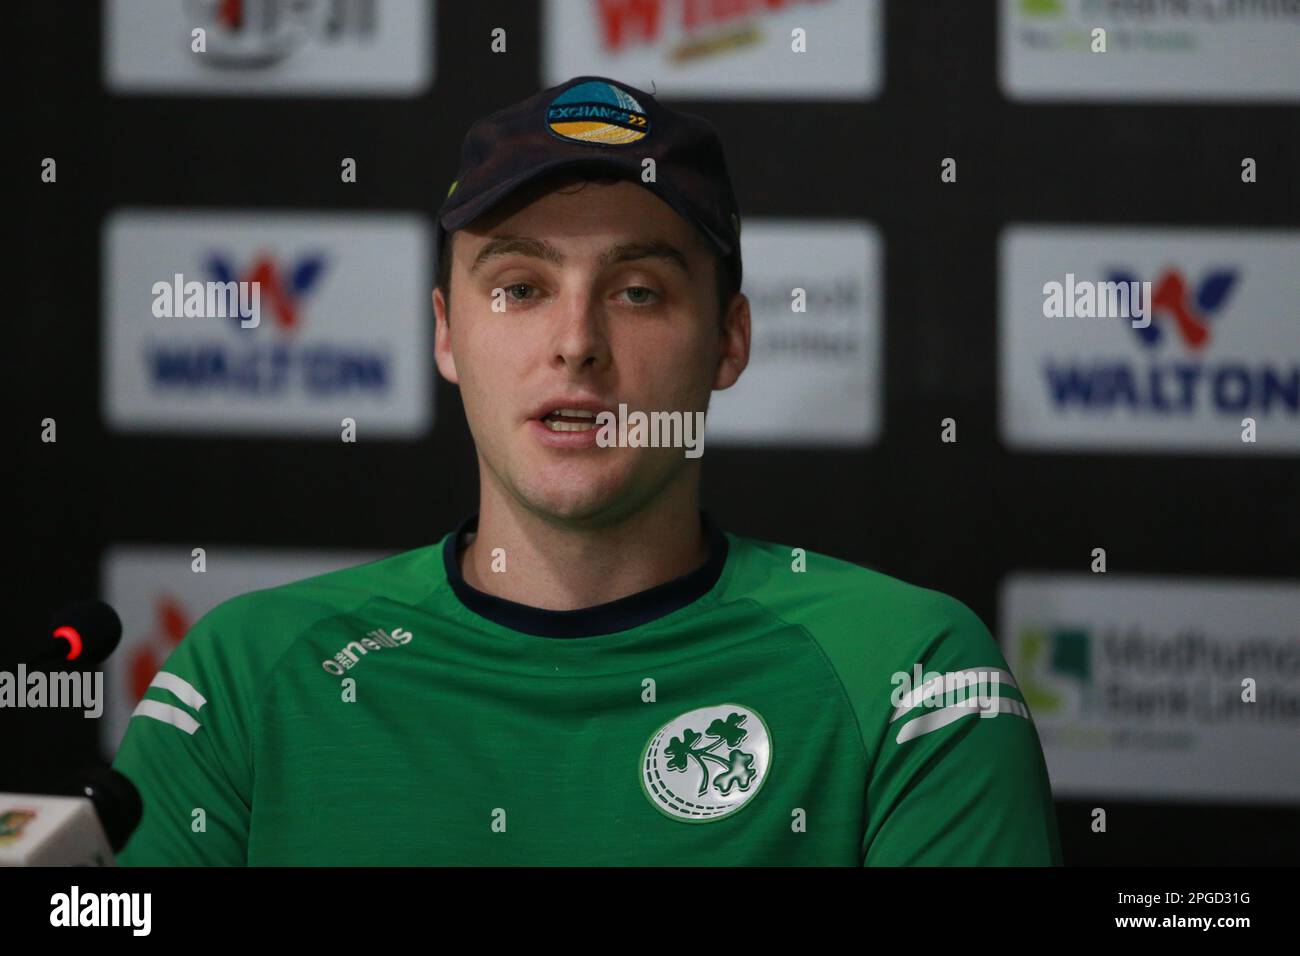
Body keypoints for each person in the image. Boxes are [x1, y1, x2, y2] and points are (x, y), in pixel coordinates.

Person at [111, 75, 1062, 865]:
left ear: (729, 341)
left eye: (638, 291)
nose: (576, 343)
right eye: (520, 288)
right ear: (447, 334)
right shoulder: (239, 679)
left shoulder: (912, 683)